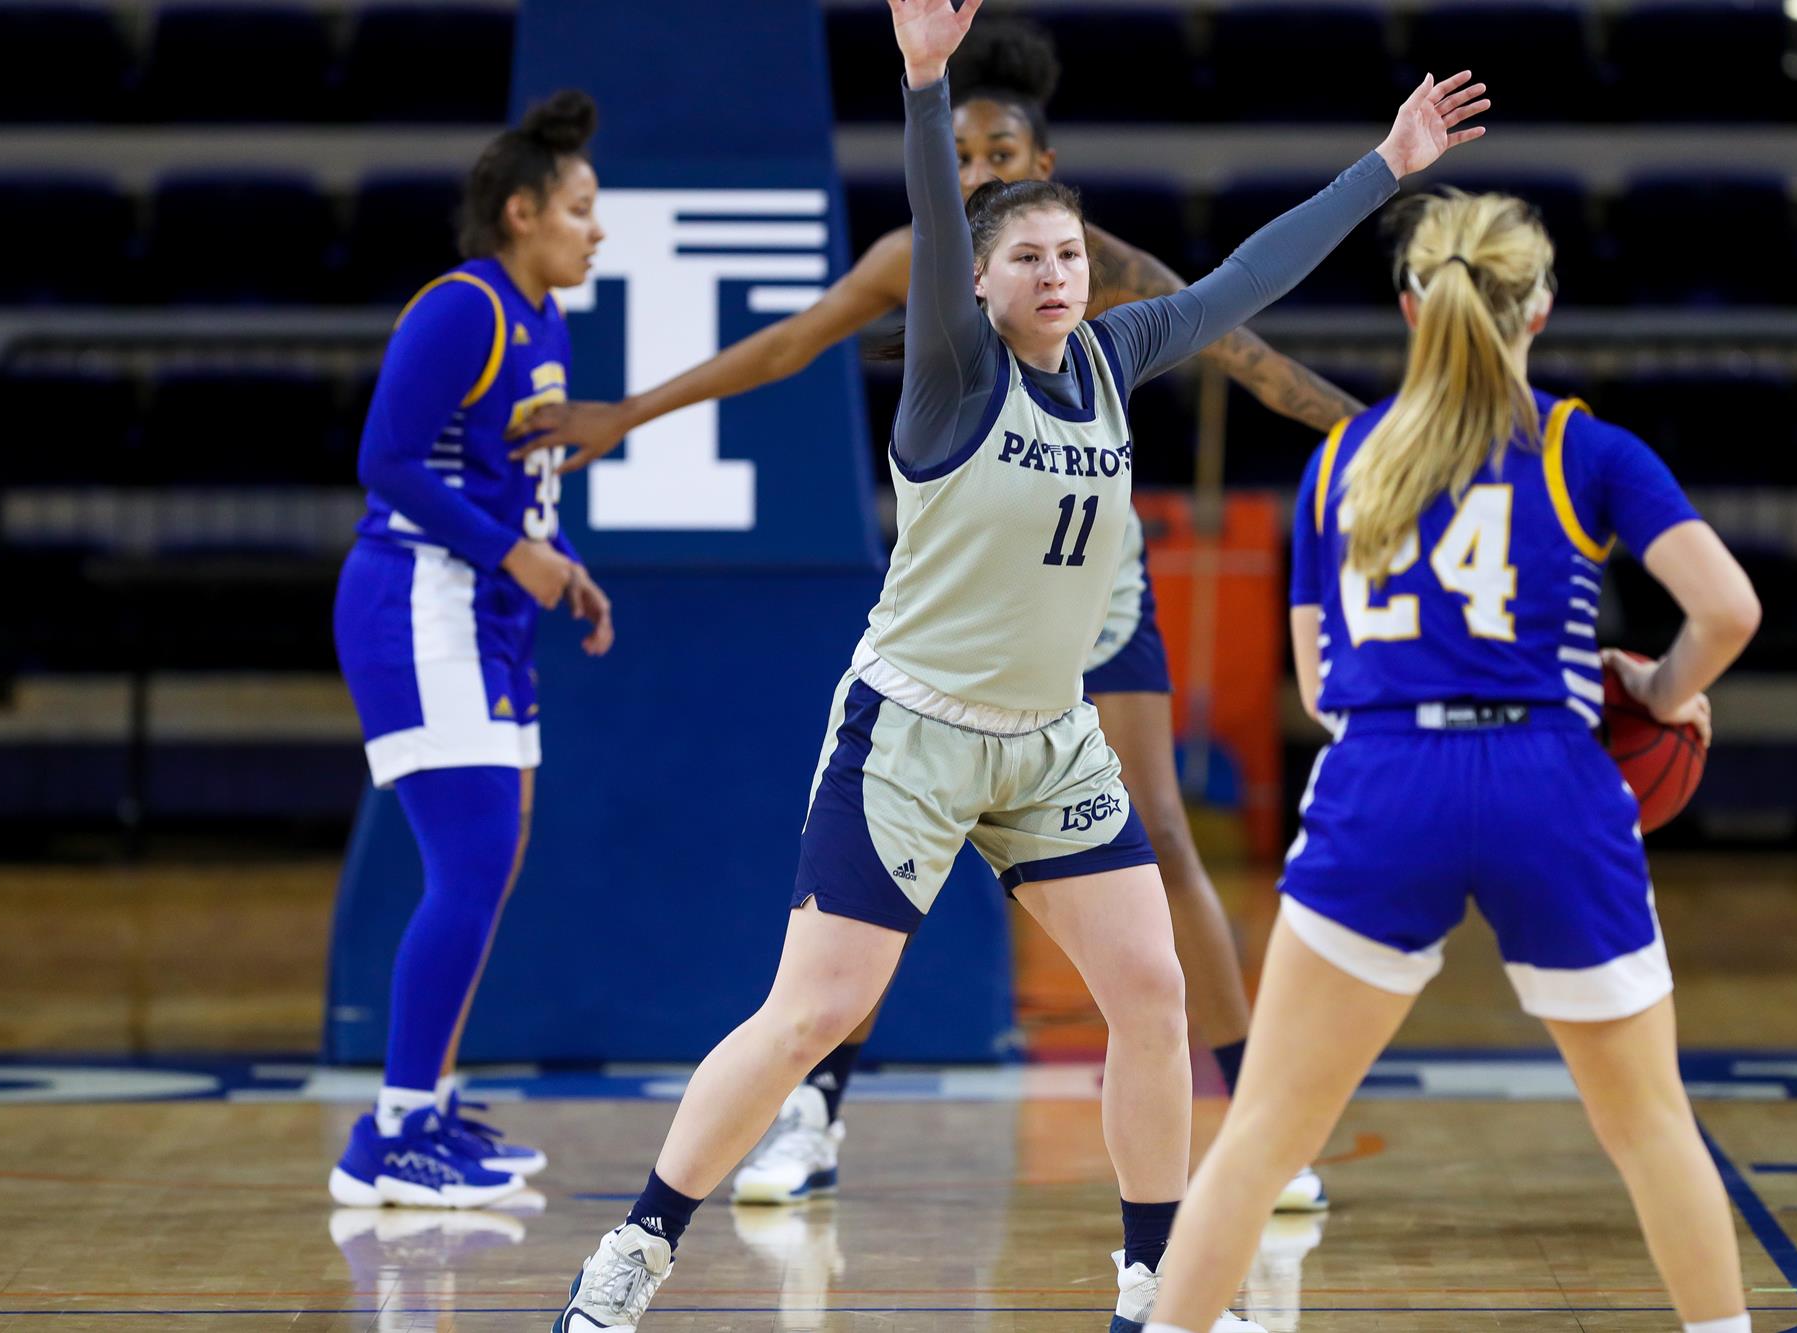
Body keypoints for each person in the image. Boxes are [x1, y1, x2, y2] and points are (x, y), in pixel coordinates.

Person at [547, 2, 1485, 1326]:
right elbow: (937, 208)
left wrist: (1384, 165)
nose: (1054, 274)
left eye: (1065, 253)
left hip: (1048, 743)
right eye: (1023, 258)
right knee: (811, 1014)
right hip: (913, 734)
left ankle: (1152, 1282)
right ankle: (633, 1254)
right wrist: (924, 84)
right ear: (975, 283)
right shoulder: (949, 371)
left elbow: (1239, 287)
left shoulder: (1111, 352)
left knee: (1149, 994)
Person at [1139, 189, 1763, 1333]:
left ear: (1406, 305)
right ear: (1540, 310)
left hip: (1387, 778)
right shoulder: (1587, 448)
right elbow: (1726, 608)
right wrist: (1653, 693)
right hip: (1547, 782)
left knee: (1268, 1127)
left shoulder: (1340, 462)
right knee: (1649, 1124)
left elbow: (1321, 682)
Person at [327, 90, 616, 1208]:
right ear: (520, 212)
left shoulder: (544, 317)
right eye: (581, 209)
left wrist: (560, 560)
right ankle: (390, 1136)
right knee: (470, 859)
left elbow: (511, 475)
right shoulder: (462, 307)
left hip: (483, 605)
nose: (597, 230)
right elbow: (388, 462)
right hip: (415, 598)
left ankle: (425, 1106)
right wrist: (513, 555)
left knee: (490, 858)